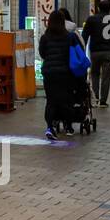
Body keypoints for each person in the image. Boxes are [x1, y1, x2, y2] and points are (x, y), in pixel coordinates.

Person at [39, 9, 83, 139]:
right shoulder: (70, 36)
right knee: (66, 100)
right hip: (66, 74)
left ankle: (50, 127)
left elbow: (42, 54)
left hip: (49, 74)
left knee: (51, 101)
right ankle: (68, 126)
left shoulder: (45, 37)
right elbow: (79, 52)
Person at [82, 0, 110, 109]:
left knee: (95, 74)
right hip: (109, 52)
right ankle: (103, 101)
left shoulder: (91, 19)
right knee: (106, 77)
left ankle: (95, 99)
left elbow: (84, 35)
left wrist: (82, 49)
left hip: (95, 52)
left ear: (98, 8)